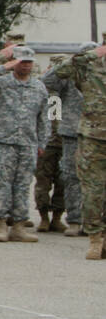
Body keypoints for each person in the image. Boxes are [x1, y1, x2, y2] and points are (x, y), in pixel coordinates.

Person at [0, 45, 49, 243]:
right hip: (3, 141)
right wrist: (3, 67)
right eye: (21, 62)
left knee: (22, 186)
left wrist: (42, 141)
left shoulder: (39, 86)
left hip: (28, 143)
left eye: (28, 62)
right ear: (14, 63)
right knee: (2, 183)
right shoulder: (1, 82)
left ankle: (18, 226)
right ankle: (0, 224)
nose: (25, 66)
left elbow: (43, 118)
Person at [45, 42, 106, 259]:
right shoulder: (87, 68)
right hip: (91, 137)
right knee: (90, 189)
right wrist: (88, 56)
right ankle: (93, 236)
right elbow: (50, 80)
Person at [41, 50, 92, 234]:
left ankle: (94, 223)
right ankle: (75, 220)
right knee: (71, 177)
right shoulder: (69, 75)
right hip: (72, 132)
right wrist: (71, 62)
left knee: (97, 180)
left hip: (98, 134)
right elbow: (46, 82)